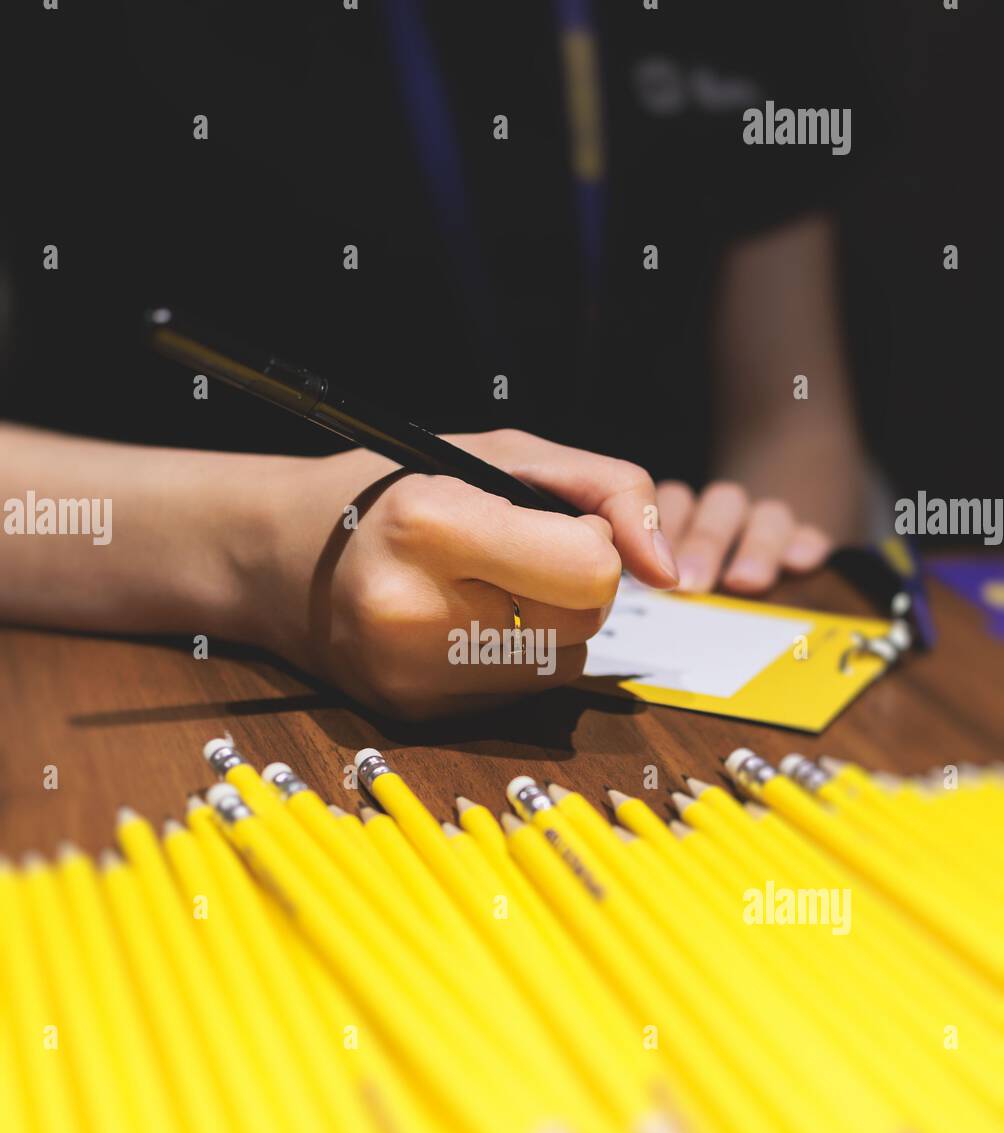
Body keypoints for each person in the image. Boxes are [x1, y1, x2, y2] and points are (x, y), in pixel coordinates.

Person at [0, 0, 876, 717]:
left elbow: (795, 416)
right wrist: (265, 552)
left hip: (640, 688)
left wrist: (743, 537)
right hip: (153, 686)